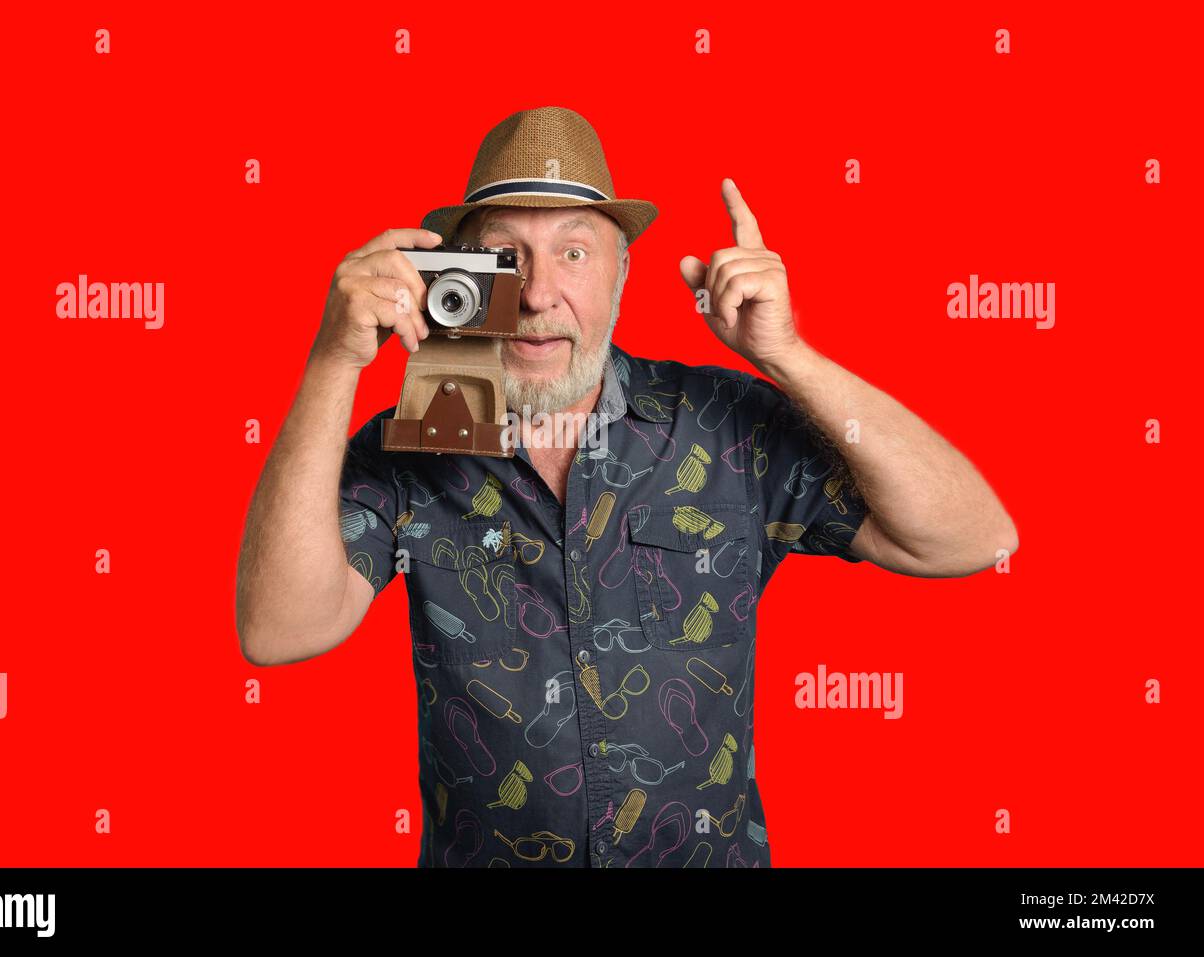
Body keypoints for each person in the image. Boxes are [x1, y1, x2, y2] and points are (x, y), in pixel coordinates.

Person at [235, 106, 1018, 868]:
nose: (537, 294)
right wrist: (334, 360)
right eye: (506, 255)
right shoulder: (410, 448)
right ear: (457, 275)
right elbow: (277, 630)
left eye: (574, 252)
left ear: (622, 273)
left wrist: (787, 356)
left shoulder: (724, 424)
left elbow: (971, 537)